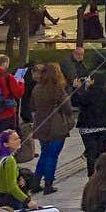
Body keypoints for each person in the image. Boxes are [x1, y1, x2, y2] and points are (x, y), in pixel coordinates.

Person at [27, 62, 74, 195]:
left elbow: (32, 106)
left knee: (44, 153)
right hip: (56, 126)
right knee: (52, 156)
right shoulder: (58, 89)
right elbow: (67, 108)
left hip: (41, 125)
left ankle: (36, 182)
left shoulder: (37, 88)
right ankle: (48, 184)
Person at [71, 64, 106, 175]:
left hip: (89, 128)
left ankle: (92, 175)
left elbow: (75, 102)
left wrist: (76, 88)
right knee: (102, 150)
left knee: (91, 153)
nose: (87, 80)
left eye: (89, 79)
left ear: (94, 81)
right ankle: (104, 174)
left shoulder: (89, 94)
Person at [0, 130, 31, 208]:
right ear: (6, 144)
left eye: (18, 138)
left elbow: (1, 177)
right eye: (15, 139)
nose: (19, 140)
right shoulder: (10, 160)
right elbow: (12, 187)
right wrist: (27, 200)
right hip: (10, 200)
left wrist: (17, 177)